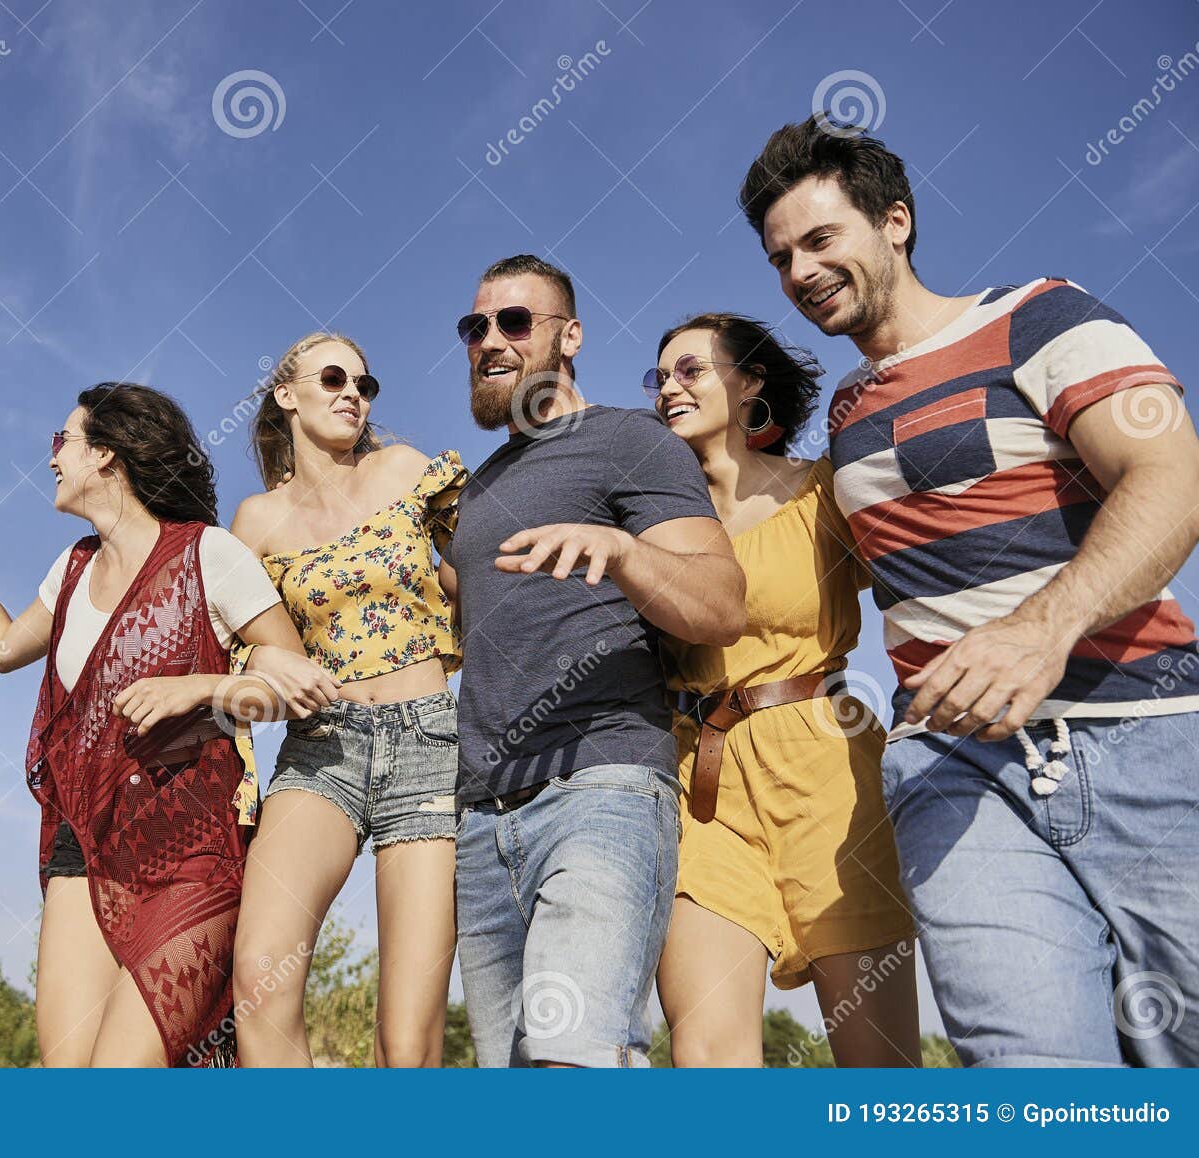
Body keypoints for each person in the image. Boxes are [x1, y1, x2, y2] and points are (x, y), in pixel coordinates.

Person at [741, 114, 1199, 1066]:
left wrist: (1044, 627)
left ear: (895, 221)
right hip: (952, 773)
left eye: (822, 239)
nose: (801, 271)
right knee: (1032, 1082)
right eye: (782, 256)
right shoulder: (849, 414)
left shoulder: (1039, 315)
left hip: (1146, 736)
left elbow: (1169, 478)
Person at [0, 383, 304, 1068]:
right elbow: (4, 647)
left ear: (106, 454)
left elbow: (294, 684)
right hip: (81, 845)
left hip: (188, 848)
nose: (52, 459)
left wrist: (204, 688)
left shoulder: (208, 553)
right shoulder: (72, 567)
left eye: (63, 441)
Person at [446, 254, 747, 1067]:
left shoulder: (627, 440)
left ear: (570, 335)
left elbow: (720, 605)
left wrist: (620, 552)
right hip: (481, 821)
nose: (490, 341)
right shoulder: (475, 494)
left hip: (602, 788)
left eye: (515, 321)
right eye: (476, 327)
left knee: (573, 1056)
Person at [645, 312, 920, 1067]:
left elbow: (924, 576)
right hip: (698, 781)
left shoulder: (822, 492)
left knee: (878, 1065)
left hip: (827, 774)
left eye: (690, 370)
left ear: (750, 382)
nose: (669, 387)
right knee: (705, 1057)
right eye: (658, 376)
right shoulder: (653, 524)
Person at [228, 331, 465, 1067]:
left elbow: (485, 586)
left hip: (430, 742)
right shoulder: (254, 522)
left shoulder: (404, 471)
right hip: (321, 748)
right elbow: (232, 655)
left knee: (408, 1036)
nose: (352, 394)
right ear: (285, 393)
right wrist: (263, 654)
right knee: (258, 985)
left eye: (365, 384)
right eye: (333, 377)